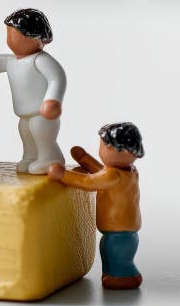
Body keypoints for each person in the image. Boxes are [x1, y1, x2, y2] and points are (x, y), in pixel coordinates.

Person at [0, 9, 66, 174]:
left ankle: (49, 158)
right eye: (9, 35)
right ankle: (30, 157)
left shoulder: (41, 60)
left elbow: (57, 78)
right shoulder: (12, 61)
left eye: (16, 35)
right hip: (24, 114)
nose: (11, 39)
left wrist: (53, 100)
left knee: (41, 132)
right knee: (26, 132)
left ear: (35, 37)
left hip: (42, 114)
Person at [48, 122, 144, 290]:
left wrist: (62, 174)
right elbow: (101, 173)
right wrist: (84, 159)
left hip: (119, 234)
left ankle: (127, 278)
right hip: (125, 232)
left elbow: (89, 182)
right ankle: (114, 275)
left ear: (123, 151)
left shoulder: (113, 175)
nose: (100, 151)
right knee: (110, 255)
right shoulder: (129, 171)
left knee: (118, 259)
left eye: (103, 147)